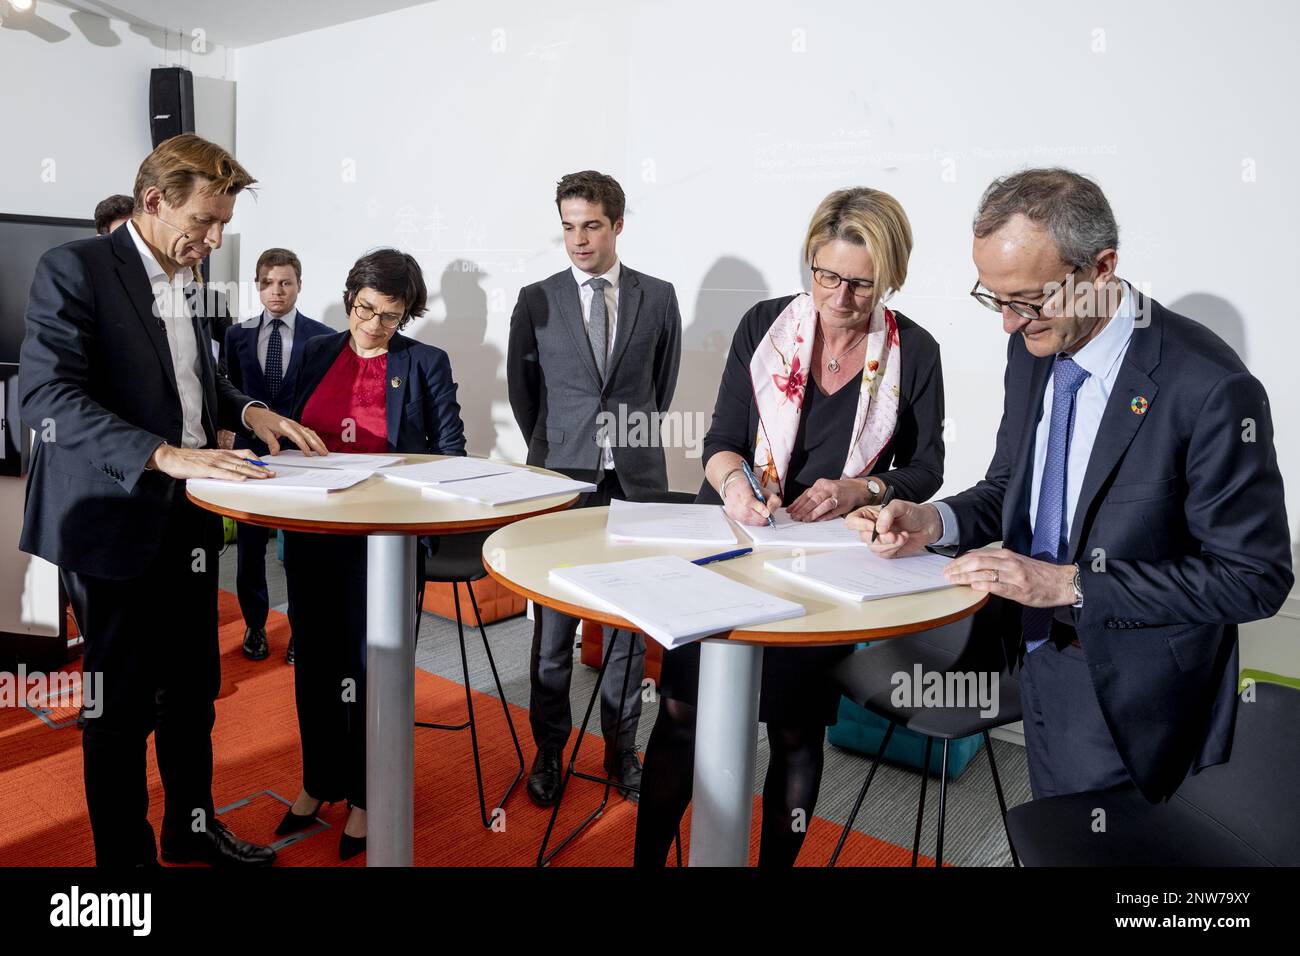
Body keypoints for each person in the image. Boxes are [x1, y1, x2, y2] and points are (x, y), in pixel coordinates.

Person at [850, 167, 1293, 802]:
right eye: (994, 298)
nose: (1007, 323)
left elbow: (1256, 578)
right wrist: (934, 520)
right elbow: (1013, 488)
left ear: (1101, 268)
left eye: (1028, 300)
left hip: (1128, 688)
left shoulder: (1210, 387)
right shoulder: (1033, 344)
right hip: (1030, 657)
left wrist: (1070, 584)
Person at [19, 133, 328, 867]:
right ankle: (123, 868)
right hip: (112, 518)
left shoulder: (184, 281)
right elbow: (45, 395)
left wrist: (251, 410)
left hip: (187, 518)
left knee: (193, 691)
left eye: (223, 224)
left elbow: (193, 386)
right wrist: (162, 452)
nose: (215, 239)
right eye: (205, 222)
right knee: (119, 708)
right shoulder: (75, 268)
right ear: (153, 202)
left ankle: (190, 830)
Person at [634, 187, 945, 867]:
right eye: (826, 275)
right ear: (810, 263)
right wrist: (736, 481)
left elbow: (927, 470)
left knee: (798, 732)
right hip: (734, 543)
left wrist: (861, 488)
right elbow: (719, 440)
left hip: (824, 567)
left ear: (889, 276)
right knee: (682, 714)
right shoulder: (764, 327)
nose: (839, 297)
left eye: (860, 285)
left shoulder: (913, 351)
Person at [275, 248, 466, 861]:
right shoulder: (313, 353)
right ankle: (319, 780)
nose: (372, 326)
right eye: (364, 309)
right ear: (349, 296)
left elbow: (452, 455)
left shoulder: (425, 363)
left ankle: (364, 794)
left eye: (390, 315)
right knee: (316, 663)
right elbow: (283, 434)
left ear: (408, 313)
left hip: (383, 545)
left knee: (368, 671)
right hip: (312, 536)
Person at [507, 170, 682, 807]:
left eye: (592, 226)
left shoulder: (657, 296)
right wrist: (561, 451)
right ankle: (549, 750)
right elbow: (524, 395)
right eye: (568, 226)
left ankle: (620, 749)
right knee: (552, 631)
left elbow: (660, 390)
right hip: (561, 480)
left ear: (617, 225)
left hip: (634, 482)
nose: (578, 240)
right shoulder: (537, 298)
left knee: (629, 628)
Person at [224, 248, 332, 664]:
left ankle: (302, 631)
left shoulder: (321, 336)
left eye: (285, 282)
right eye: (268, 283)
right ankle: (254, 624)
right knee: (249, 547)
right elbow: (227, 393)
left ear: (299, 285)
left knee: (299, 550)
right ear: (257, 285)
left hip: (301, 455)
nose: (277, 291)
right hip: (251, 455)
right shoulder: (236, 336)